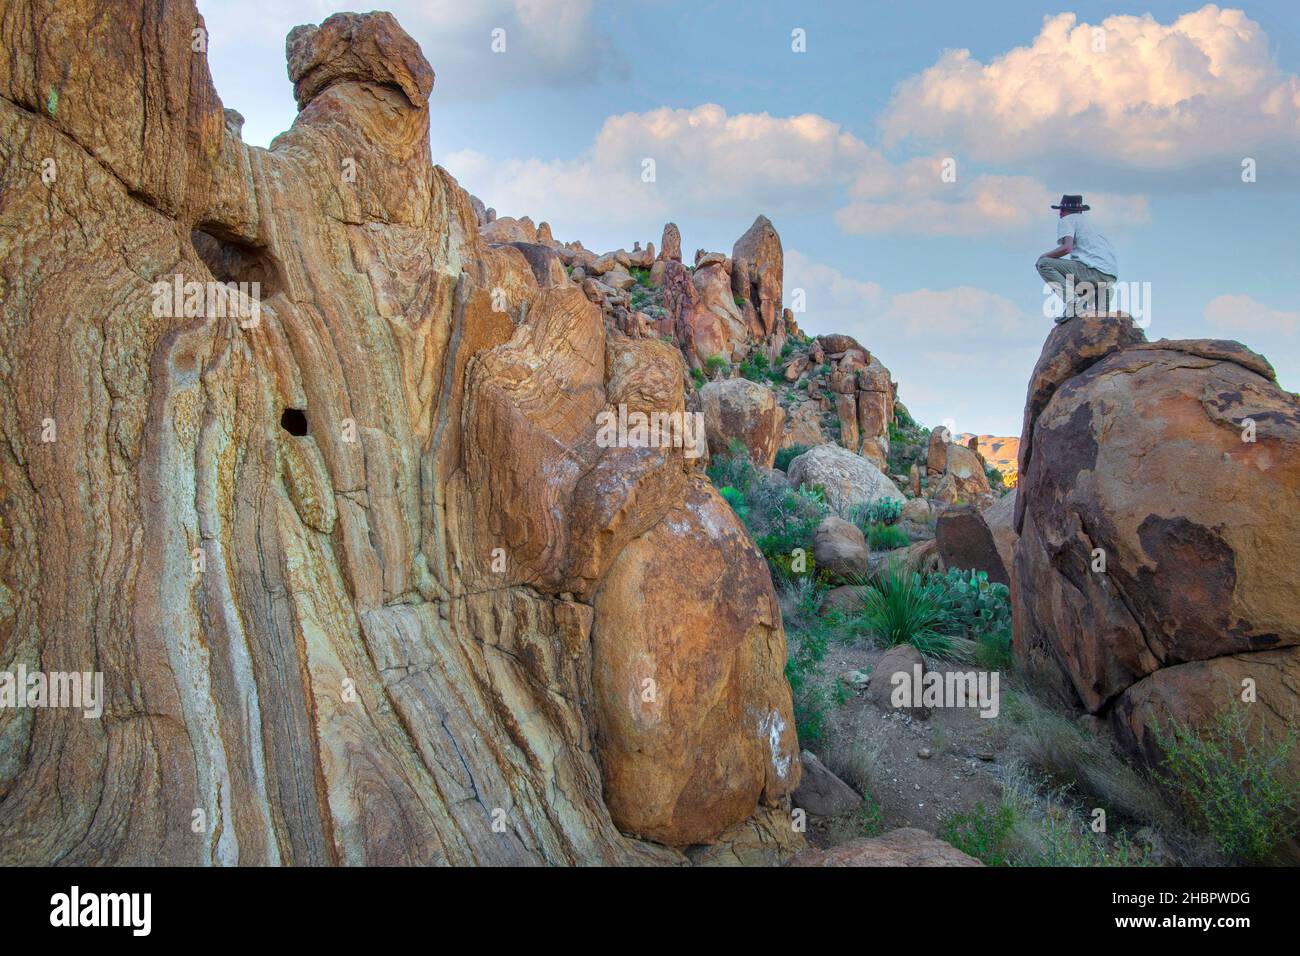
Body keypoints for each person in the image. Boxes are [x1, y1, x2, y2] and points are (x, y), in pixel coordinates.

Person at [1036, 194, 1117, 323]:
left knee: (1044, 263)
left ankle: (1073, 303)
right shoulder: (1091, 225)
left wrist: (1043, 256)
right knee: (1101, 320)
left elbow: (1067, 248)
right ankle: (1094, 301)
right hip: (1109, 276)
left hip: (1092, 272)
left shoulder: (1067, 219)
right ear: (1080, 211)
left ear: (1062, 211)